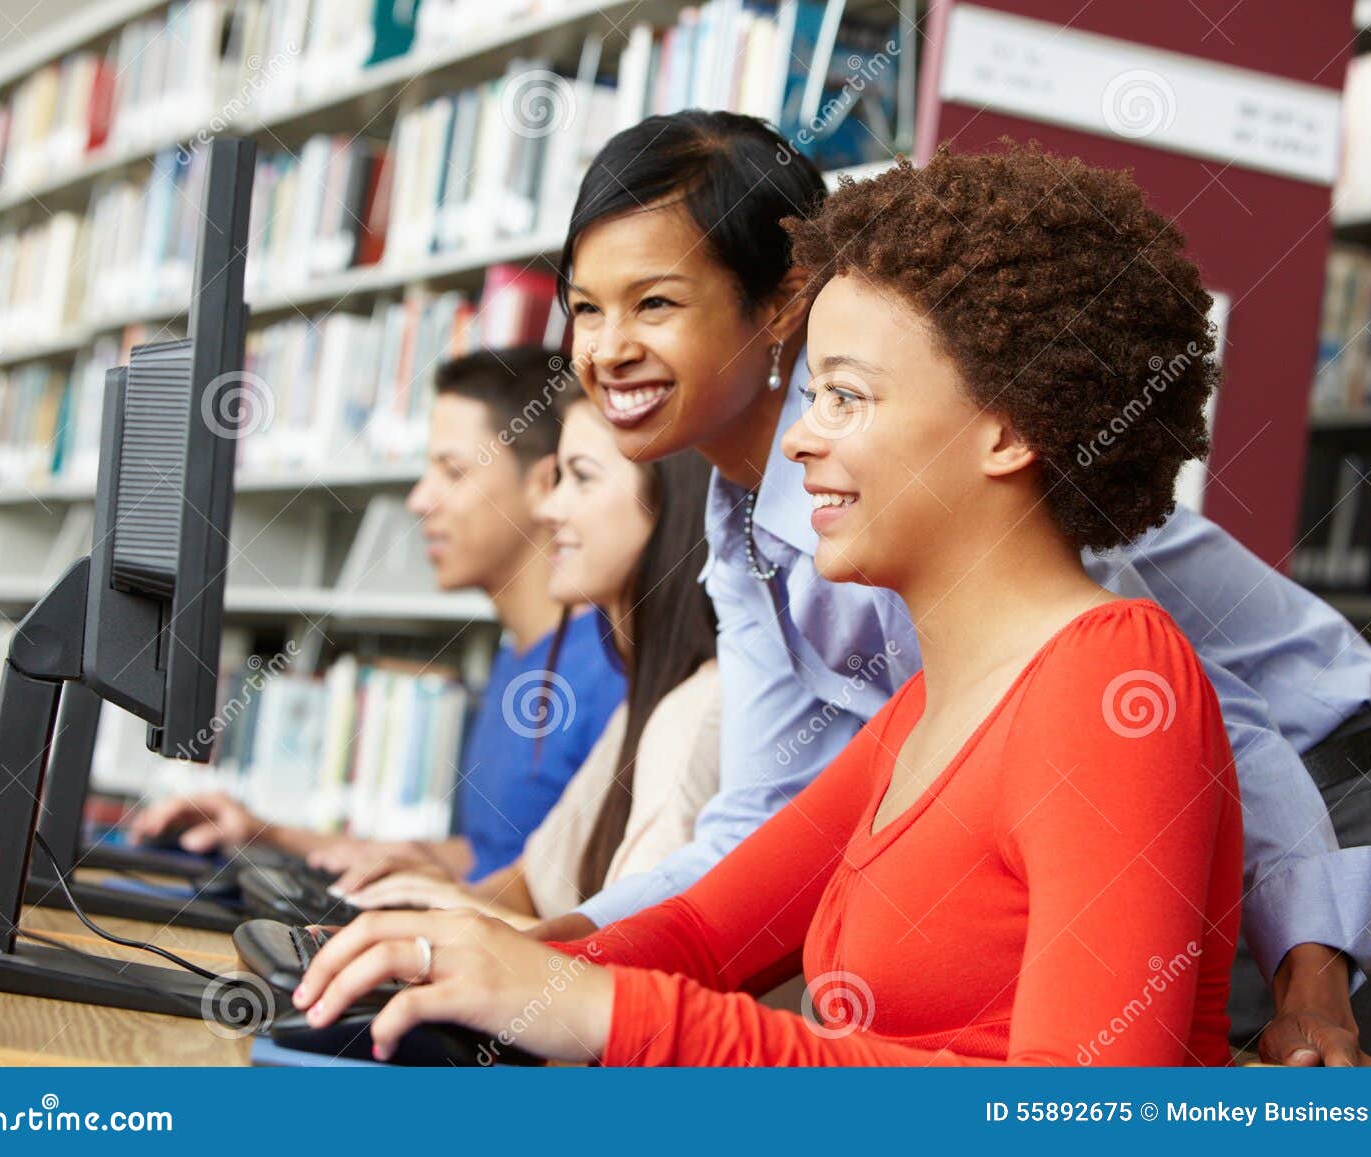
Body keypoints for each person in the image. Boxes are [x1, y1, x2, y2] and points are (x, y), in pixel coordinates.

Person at [536, 110, 1371, 1066]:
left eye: (653, 303)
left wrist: (1313, 979)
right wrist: (527, 961)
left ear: (778, 301)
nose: (606, 348)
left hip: (1336, 800)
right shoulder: (762, 526)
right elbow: (757, 821)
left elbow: (1219, 727)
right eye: (584, 307)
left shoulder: (983, 510)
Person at [290, 142, 1243, 1065]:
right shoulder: (927, 707)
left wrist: (608, 1011)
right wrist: (471, 966)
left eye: (846, 399)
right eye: (811, 394)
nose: (797, 444)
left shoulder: (1110, 680)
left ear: (1009, 429)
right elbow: (712, 929)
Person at [130, 347, 627, 883]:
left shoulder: (611, 672)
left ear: (543, 485)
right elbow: (496, 855)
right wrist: (268, 836)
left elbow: (574, 897)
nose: (419, 499)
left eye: (452, 471)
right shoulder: (519, 655)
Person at [338, 394, 720, 924]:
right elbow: (535, 881)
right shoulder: (644, 701)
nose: (546, 509)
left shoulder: (696, 712)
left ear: (672, 507)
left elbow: (625, 961)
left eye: (581, 479)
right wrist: (441, 901)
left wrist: (452, 918)